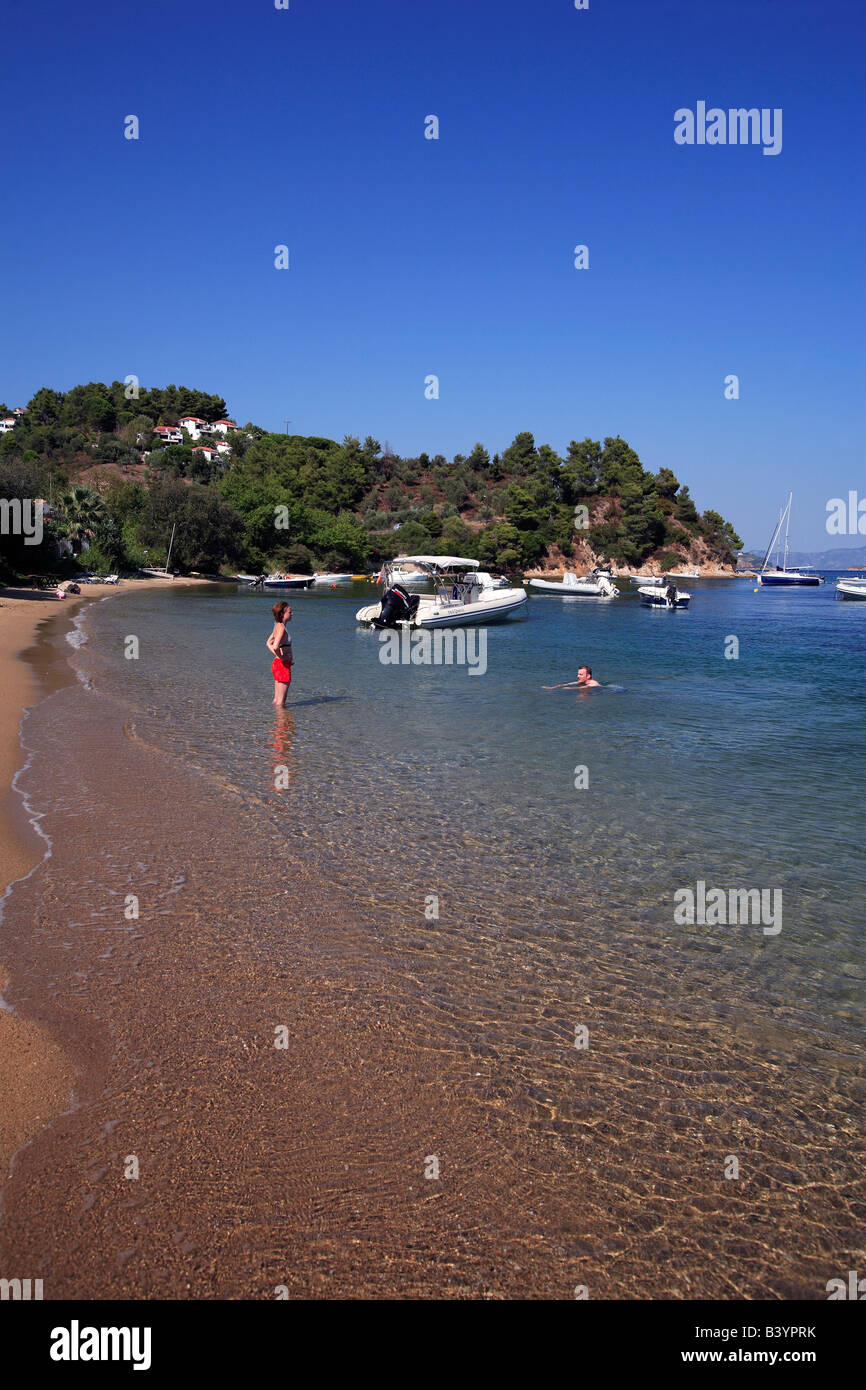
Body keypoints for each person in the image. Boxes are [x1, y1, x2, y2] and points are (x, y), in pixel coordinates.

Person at [266, 601, 294, 706]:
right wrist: (282, 658)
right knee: (281, 703)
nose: (292, 614)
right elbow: (275, 646)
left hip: (278, 664)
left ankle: (276, 720)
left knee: (277, 700)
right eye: (290, 612)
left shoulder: (277, 625)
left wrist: (279, 657)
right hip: (282, 665)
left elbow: (268, 643)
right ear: (282, 614)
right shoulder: (281, 628)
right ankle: (282, 721)